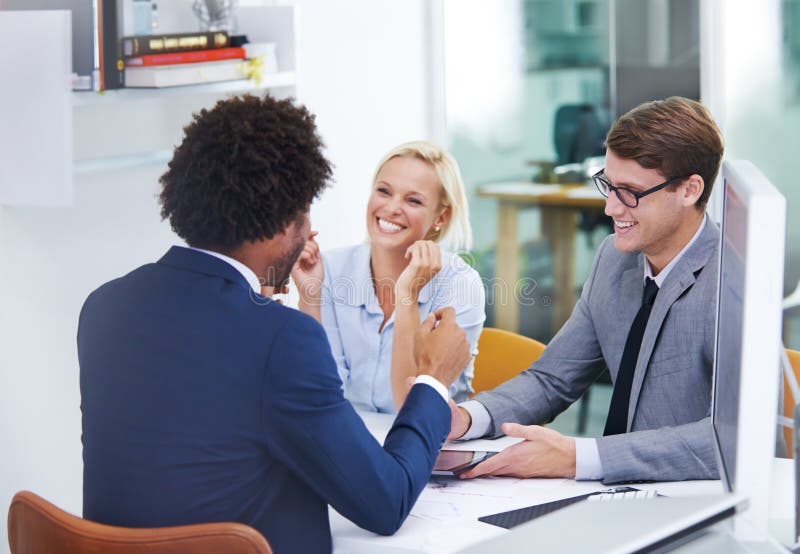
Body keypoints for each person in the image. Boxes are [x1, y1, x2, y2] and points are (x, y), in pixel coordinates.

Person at [78, 94, 471, 554]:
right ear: (282, 223)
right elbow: (386, 501)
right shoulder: (281, 338)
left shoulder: (104, 307)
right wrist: (433, 380)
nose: (308, 229)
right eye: (305, 210)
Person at [449, 96, 725, 484]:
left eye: (630, 192)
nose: (610, 208)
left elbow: (729, 439)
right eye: (608, 185)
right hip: (618, 496)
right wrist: (467, 417)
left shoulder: (731, 281)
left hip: (691, 497)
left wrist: (579, 458)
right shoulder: (614, 259)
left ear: (689, 190)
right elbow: (552, 379)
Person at [291, 141, 485, 412]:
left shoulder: (460, 284)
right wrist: (310, 299)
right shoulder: (330, 269)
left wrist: (407, 296)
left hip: (427, 436)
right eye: (384, 191)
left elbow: (412, 407)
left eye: (413, 200)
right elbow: (319, 393)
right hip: (349, 434)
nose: (392, 208)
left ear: (441, 217)